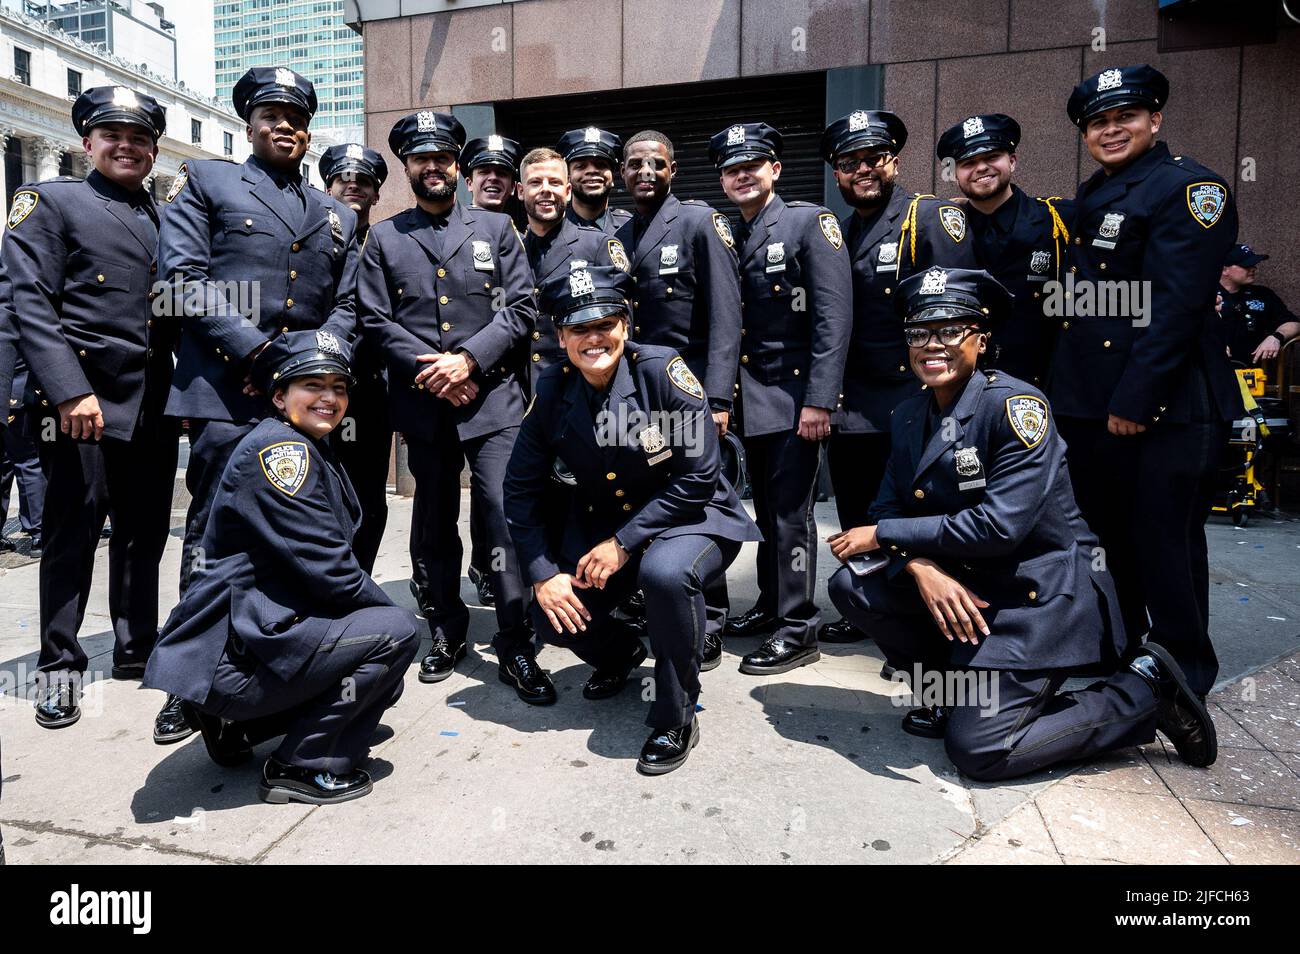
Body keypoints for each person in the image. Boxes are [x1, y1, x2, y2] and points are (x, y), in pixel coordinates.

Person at [827, 266, 1217, 781]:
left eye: (949, 330)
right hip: (968, 586)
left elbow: (997, 527)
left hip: (1036, 598)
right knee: (853, 584)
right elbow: (886, 508)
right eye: (919, 333)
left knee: (981, 753)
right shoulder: (907, 415)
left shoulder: (1016, 407)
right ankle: (951, 692)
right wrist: (920, 565)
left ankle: (1143, 693)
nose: (931, 345)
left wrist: (887, 537)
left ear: (981, 341)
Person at [153, 66, 360, 744]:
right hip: (226, 392)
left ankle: (282, 661)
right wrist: (258, 352)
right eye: (271, 113)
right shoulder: (207, 183)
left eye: (296, 115)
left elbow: (349, 305)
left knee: (306, 532)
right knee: (213, 537)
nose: (285, 124)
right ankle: (190, 681)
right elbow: (181, 282)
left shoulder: (339, 214)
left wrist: (310, 365)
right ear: (249, 123)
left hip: (304, 404)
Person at [503, 266, 760, 774]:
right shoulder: (553, 388)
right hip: (608, 528)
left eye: (605, 323)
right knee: (551, 614)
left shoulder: (661, 372)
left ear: (626, 324)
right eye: (579, 328)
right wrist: (541, 573)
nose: (593, 337)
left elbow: (698, 477)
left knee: (664, 575)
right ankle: (620, 657)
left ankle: (676, 714)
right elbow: (519, 489)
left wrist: (623, 543)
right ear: (561, 337)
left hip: (691, 517)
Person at [144, 330, 419, 804]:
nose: (329, 398)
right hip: (236, 652)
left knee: (377, 687)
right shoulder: (281, 453)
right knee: (395, 636)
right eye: (312, 385)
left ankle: (235, 725)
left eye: (338, 387)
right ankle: (299, 765)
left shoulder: (299, 441)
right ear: (278, 395)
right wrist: (389, 628)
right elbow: (332, 571)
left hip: (247, 638)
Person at [1049, 65, 1239, 700]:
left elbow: (1176, 308)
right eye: (1097, 122)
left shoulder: (1188, 189)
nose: (1110, 130)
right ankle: (1125, 650)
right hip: (1099, 405)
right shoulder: (1102, 190)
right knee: (1111, 541)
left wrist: (1136, 400)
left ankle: (1184, 671)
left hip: (1164, 407)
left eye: (1124, 117)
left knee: (1166, 543)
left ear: (1154, 120)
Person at [0, 86, 179, 728]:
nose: (126, 147)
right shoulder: (52, 202)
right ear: (88, 144)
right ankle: (59, 666)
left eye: (139, 139)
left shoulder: (167, 218)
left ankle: (137, 649)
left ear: (154, 150)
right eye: (113, 136)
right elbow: (30, 305)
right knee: (71, 536)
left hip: (154, 403)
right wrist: (69, 388)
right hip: (80, 404)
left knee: (144, 534)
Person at [357, 111, 550, 702]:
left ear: (457, 166)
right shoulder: (385, 238)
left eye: (442, 157)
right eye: (420, 158)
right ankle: (446, 629)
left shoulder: (497, 229)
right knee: (434, 518)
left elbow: (521, 310)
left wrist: (467, 361)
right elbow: (373, 319)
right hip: (423, 405)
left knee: (502, 513)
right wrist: (437, 373)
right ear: (406, 167)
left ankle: (516, 639)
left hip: (493, 401)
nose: (432, 166)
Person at [811, 109, 978, 645]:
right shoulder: (843, 229)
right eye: (848, 163)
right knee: (861, 509)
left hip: (916, 400)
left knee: (919, 510)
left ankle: (926, 620)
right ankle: (872, 608)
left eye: (871, 159)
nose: (861, 170)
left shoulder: (928, 216)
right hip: (854, 402)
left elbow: (955, 313)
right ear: (837, 174)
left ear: (893, 162)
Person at [710, 122, 851, 674]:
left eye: (753, 165)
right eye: (731, 169)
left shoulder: (809, 223)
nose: (742, 175)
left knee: (791, 515)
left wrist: (820, 400)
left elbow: (832, 317)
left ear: (775, 168)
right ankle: (771, 604)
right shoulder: (732, 232)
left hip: (794, 400)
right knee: (766, 513)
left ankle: (798, 626)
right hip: (749, 399)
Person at [614, 129, 742, 658]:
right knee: (651, 495)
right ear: (624, 171)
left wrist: (717, 397)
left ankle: (709, 617)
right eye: (636, 164)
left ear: (673, 170)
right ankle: (658, 599)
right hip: (640, 392)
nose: (646, 173)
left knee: (700, 500)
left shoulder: (698, 221)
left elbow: (726, 312)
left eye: (656, 165)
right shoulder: (620, 231)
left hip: (690, 393)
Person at [937, 113, 1073, 385]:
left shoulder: (1058, 219)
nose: (981, 168)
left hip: (1044, 383)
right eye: (969, 162)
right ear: (954, 174)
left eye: (991, 157)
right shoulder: (941, 228)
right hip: (965, 386)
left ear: (1012, 161)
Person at [320, 143, 392, 574]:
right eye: (343, 179)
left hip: (369, 390)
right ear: (327, 187)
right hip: (315, 387)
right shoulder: (309, 238)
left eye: (363, 181)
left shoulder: (386, 243)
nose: (353, 187)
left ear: (376, 193)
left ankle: (357, 581)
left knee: (368, 497)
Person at [460, 133, 523, 605]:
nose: (494, 180)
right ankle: (484, 569)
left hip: (529, 385)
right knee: (485, 498)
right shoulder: (455, 232)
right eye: (485, 172)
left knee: (513, 493)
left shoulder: (527, 231)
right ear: (469, 180)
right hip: (474, 383)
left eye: (503, 172)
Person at [517, 146, 629, 389]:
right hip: (521, 391)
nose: (545, 190)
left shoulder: (598, 245)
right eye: (535, 182)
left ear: (567, 191)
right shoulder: (510, 249)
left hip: (579, 387)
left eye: (554, 182)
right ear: (520, 191)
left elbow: (622, 327)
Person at [1216, 243, 1298, 365]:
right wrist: (1209, 345)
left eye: (1253, 264)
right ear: (1224, 269)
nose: (1253, 268)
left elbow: (1293, 324)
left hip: (1253, 373)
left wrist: (1276, 337)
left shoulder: (1263, 295)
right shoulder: (1204, 295)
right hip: (1211, 373)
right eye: (1246, 265)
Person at [556, 126, 632, 234]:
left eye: (601, 165)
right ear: (567, 177)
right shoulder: (552, 228)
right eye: (581, 166)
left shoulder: (631, 226)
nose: (592, 170)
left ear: (613, 177)